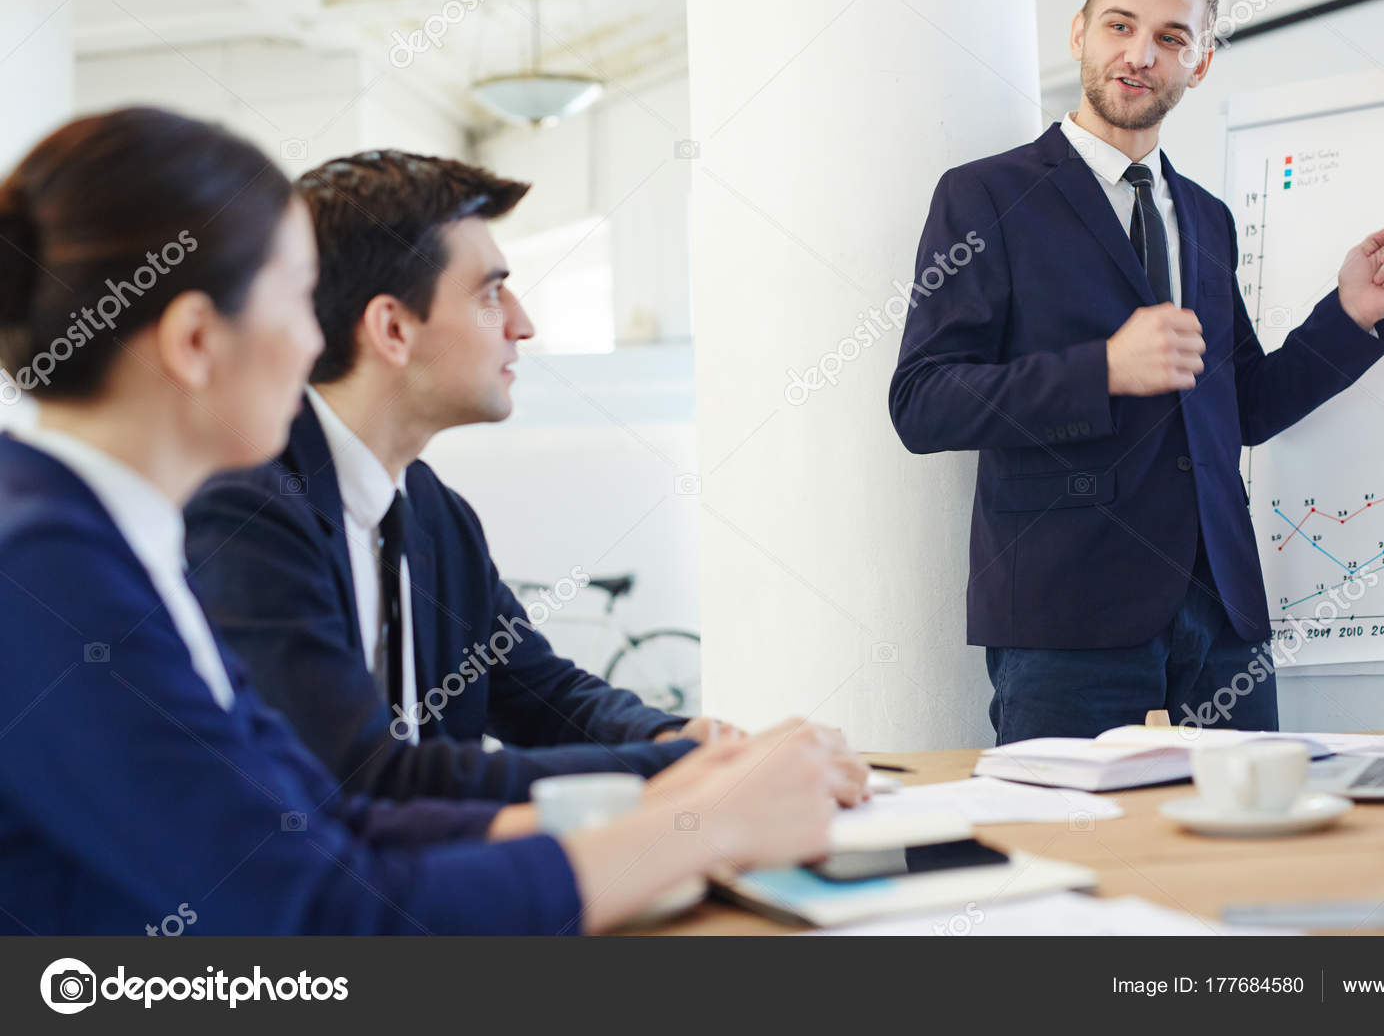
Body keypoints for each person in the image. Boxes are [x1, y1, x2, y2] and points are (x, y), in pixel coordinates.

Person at [0, 107, 846, 934]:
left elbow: (330, 817)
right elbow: (315, 913)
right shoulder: (47, 567)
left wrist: (690, 791)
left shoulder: (105, 541)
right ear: (194, 340)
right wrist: (700, 825)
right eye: (297, 301)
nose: (314, 343)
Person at [184, 149, 862, 804]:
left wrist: (681, 738)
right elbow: (363, 778)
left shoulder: (435, 515)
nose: (523, 324)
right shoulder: (247, 510)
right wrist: (685, 769)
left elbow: (542, 694)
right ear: (393, 329)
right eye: (490, 293)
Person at [888, 0, 1384, 744]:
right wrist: (1103, 369)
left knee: (1252, 825)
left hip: (1220, 611)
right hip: (1066, 619)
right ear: (1080, 33)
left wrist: (1347, 315)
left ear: (1199, 63)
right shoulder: (985, 195)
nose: (1141, 54)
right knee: (1071, 828)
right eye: (1120, 26)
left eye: (1172, 38)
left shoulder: (1207, 217)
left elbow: (1239, 405)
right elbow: (922, 402)